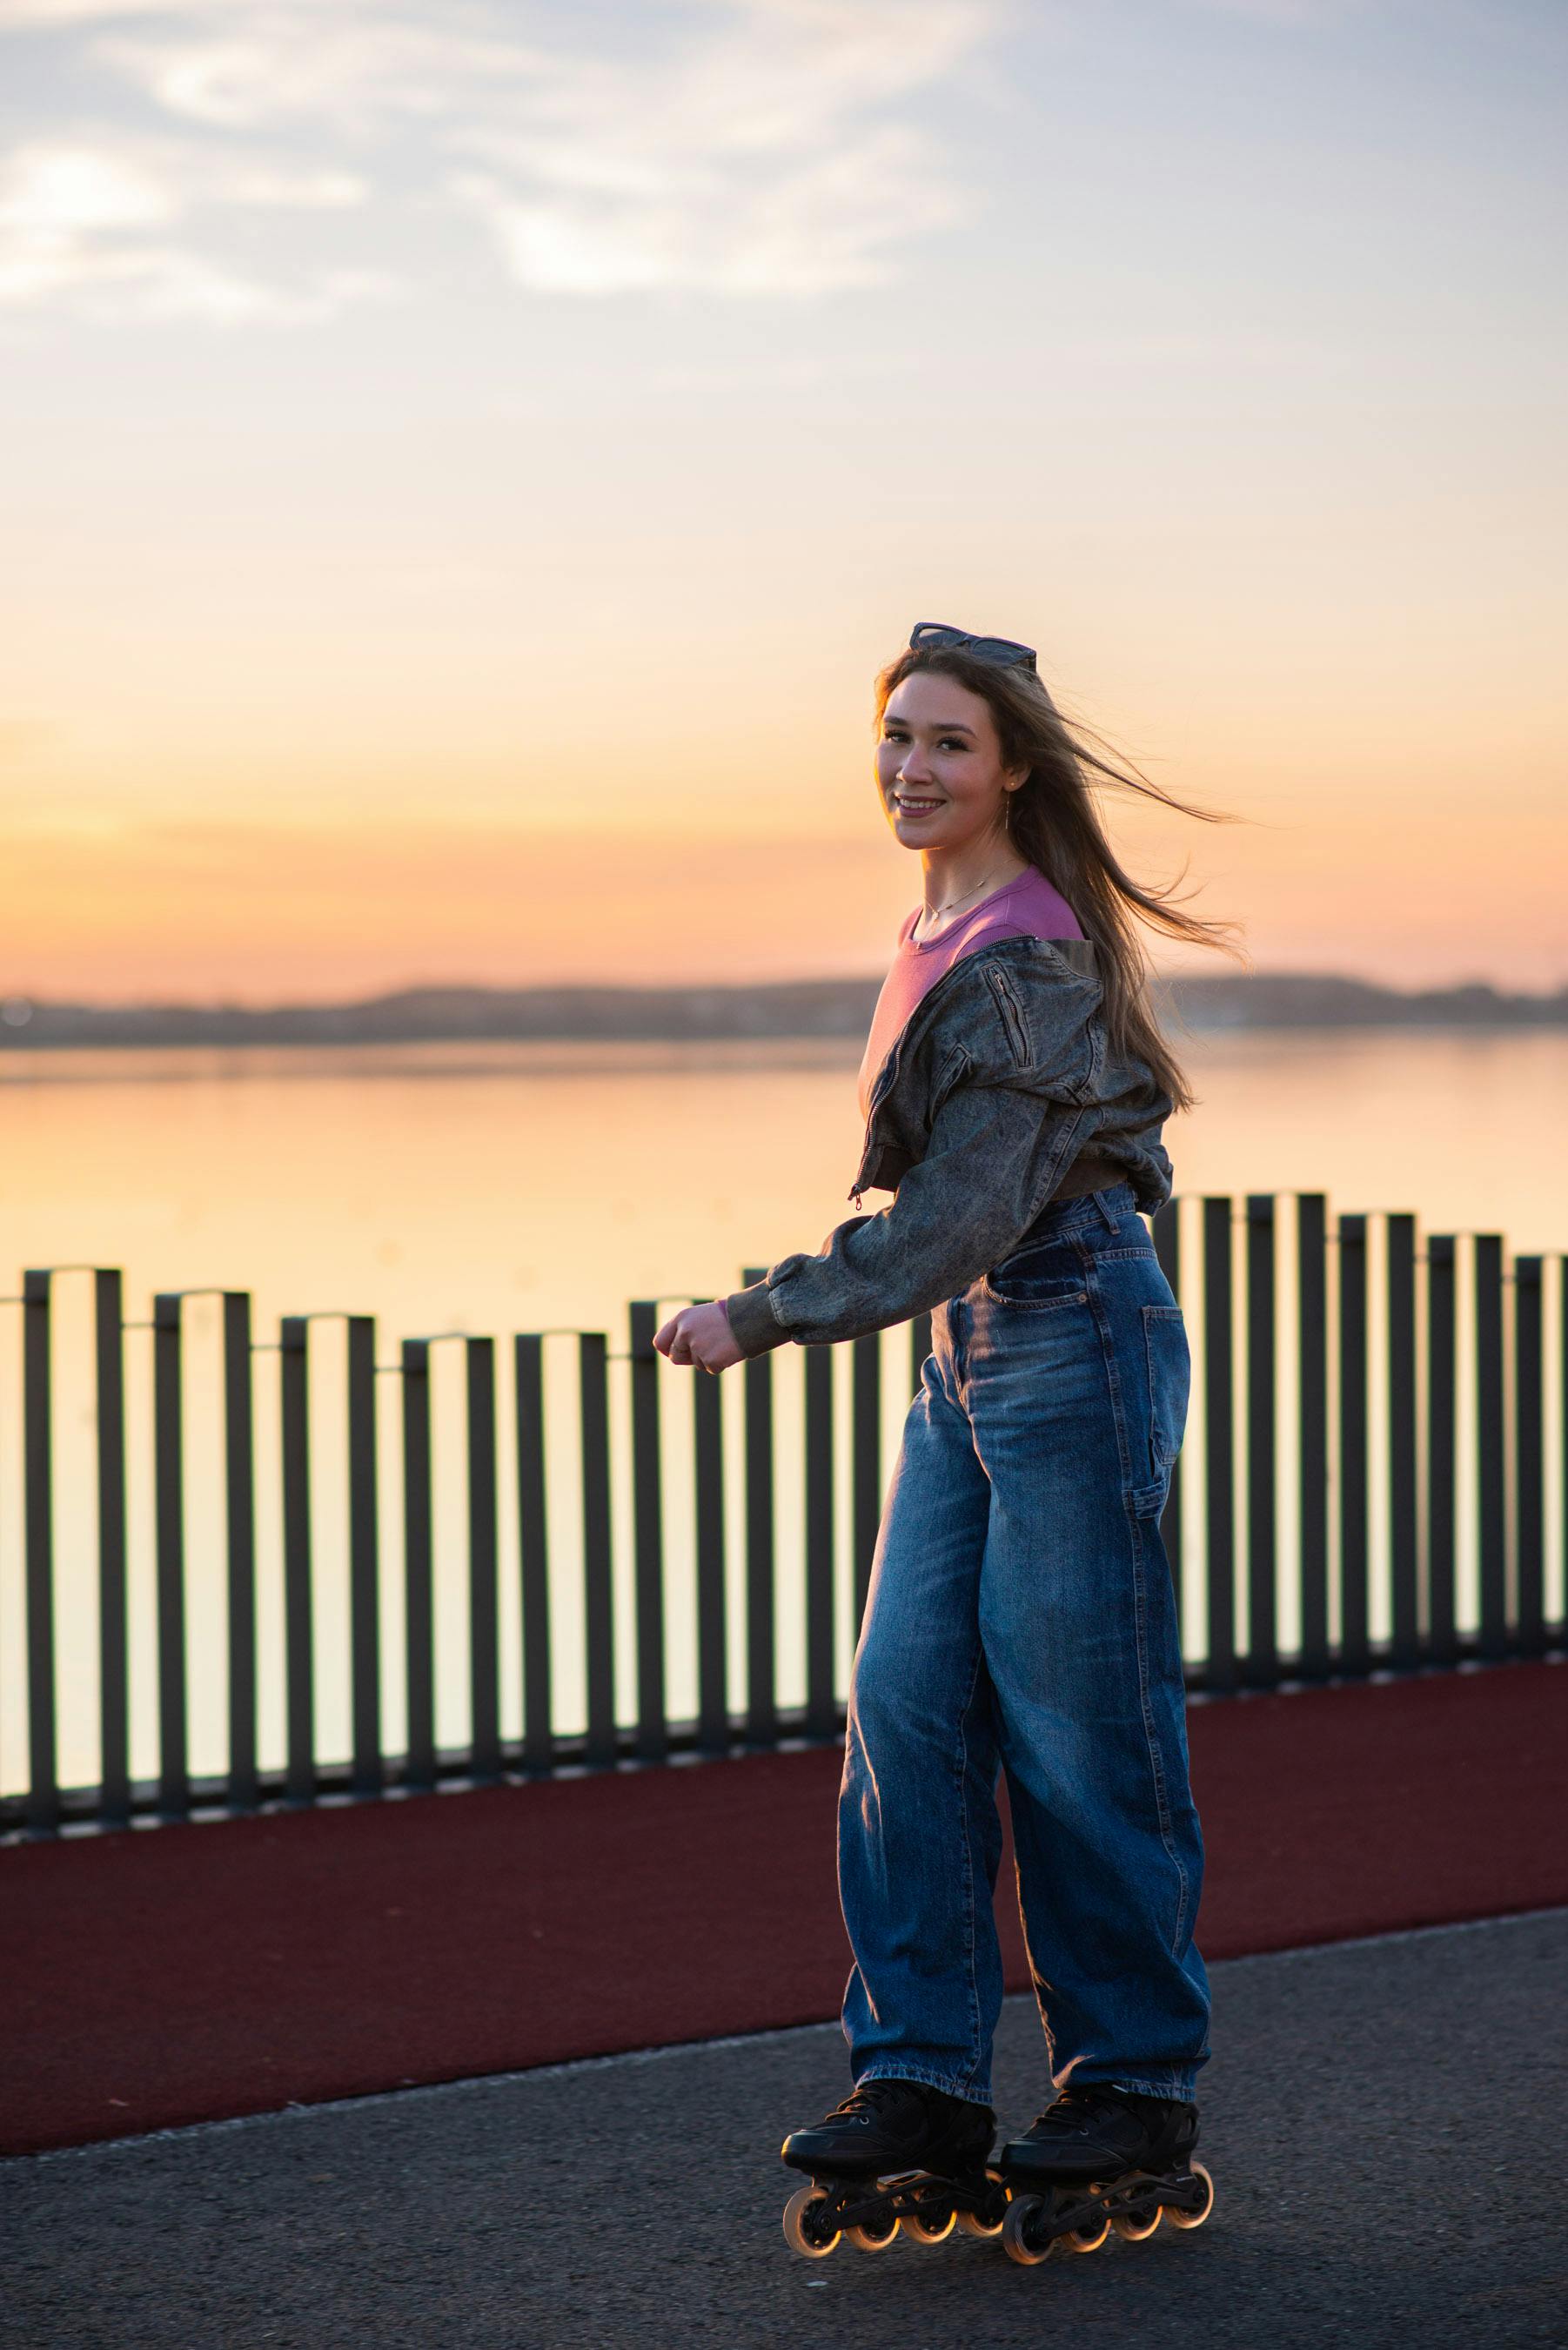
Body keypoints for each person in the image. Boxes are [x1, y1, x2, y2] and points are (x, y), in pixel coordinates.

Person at [653, 619, 1243, 2207]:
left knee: (1074, 1728)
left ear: (1013, 769)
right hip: (974, 1348)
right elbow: (967, 1226)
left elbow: (959, 1217)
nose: (910, 768)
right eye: (896, 736)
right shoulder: (940, 922)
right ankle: (919, 2079)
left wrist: (759, 1311)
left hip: (1068, 1330)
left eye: (947, 744)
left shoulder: (1025, 956)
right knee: (903, 1707)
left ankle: (1131, 2086)